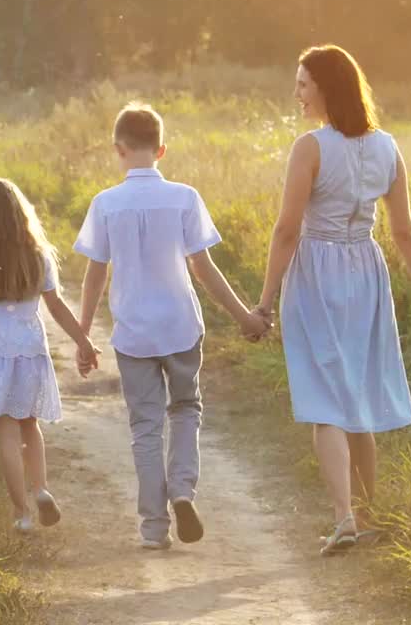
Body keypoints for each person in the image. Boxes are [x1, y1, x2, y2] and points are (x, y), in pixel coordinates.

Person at [255, 44, 411, 555]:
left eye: (302, 83)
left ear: (325, 87)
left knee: (325, 400)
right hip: (366, 270)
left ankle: (344, 517)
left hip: (318, 269)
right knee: (357, 396)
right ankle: (365, 515)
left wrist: (265, 301)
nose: (296, 93)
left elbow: (287, 231)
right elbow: (404, 231)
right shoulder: (387, 146)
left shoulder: (310, 147)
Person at [74, 102, 270, 551]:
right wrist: (245, 318)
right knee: (185, 410)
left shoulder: (104, 204)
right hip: (181, 327)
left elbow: (95, 275)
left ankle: (153, 528)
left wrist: (84, 336)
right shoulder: (185, 197)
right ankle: (182, 490)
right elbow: (204, 269)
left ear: (117, 149)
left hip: (134, 334)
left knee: (145, 426)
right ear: (161, 149)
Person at [0, 178, 100, 533]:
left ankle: (21, 513)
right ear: (21, 216)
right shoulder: (38, 257)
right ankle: (42, 489)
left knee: (5, 430)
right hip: (31, 352)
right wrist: (83, 341)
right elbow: (57, 306)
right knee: (30, 425)